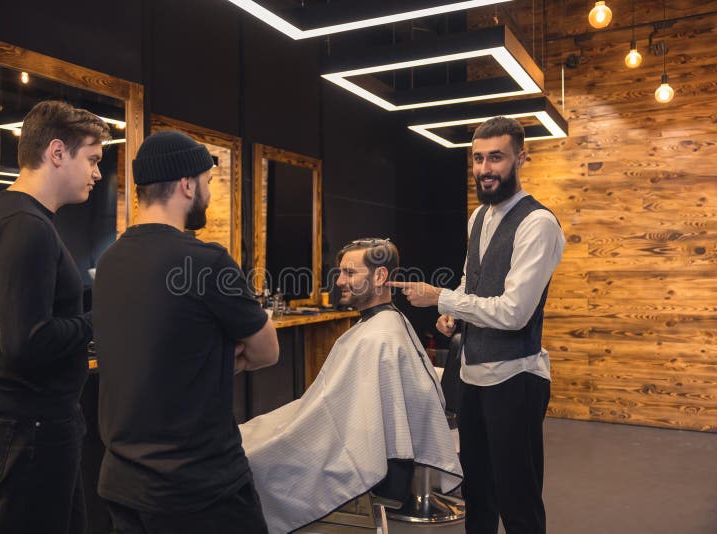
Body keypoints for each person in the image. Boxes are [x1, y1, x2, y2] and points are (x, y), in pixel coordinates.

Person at [93, 130, 279, 533]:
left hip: (123, 482)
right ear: (186, 184)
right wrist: (224, 359)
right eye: (209, 183)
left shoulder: (109, 261)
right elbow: (268, 350)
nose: (210, 195)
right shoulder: (207, 260)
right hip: (197, 488)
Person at [388, 116, 565, 534]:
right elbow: (474, 281)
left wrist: (441, 298)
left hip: (516, 379)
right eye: (478, 159)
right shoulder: (478, 219)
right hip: (472, 376)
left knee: (518, 501)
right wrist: (454, 313)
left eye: (497, 158)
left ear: (521, 157)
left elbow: (514, 312)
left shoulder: (538, 224)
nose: (485, 169)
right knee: (478, 496)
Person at [239, 238, 461, 534]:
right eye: (340, 272)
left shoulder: (379, 337)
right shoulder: (382, 327)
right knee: (253, 435)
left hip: (346, 445)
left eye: (350, 273)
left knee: (251, 454)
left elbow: (344, 421)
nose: (340, 281)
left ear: (380, 276)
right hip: (335, 428)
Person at [0, 100, 111, 533]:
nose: (97, 174)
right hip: (28, 430)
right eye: (93, 159)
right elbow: (27, 342)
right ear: (58, 152)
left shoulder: (25, 221)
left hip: (37, 424)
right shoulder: (23, 227)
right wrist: (99, 319)